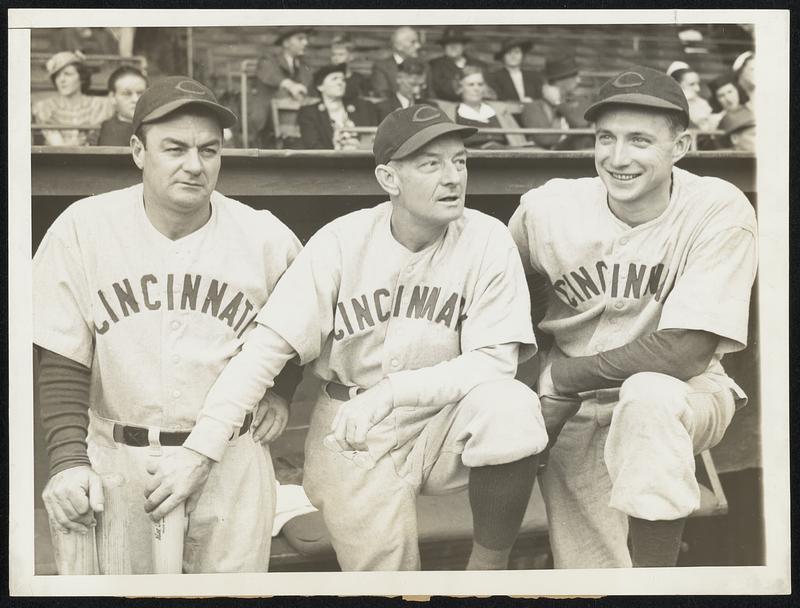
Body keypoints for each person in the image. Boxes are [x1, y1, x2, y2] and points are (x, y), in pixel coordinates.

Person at [162, 104, 549, 571]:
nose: (453, 178)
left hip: (441, 424)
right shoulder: (340, 242)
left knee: (510, 404)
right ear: (389, 178)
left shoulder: (487, 238)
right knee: (385, 580)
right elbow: (264, 351)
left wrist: (393, 392)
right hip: (350, 430)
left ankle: (488, 570)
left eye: (460, 161)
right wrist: (201, 448)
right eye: (431, 164)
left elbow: (495, 361)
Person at [33, 76, 304, 574]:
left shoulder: (264, 235)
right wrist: (69, 458)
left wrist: (282, 390)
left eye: (209, 150)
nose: (195, 165)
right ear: (138, 151)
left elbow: (297, 334)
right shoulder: (83, 227)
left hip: (230, 460)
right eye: (174, 148)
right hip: (118, 459)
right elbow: (62, 352)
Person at [509, 65, 758, 569]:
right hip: (575, 407)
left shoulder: (717, 208)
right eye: (607, 138)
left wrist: (558, 379)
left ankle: (657, 584)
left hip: (688, 393)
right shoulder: (548, 208)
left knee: (650, 395)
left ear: (681, 146)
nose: (618, 158)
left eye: (640, 140)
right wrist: (531, 380)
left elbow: (683, 351)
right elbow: (509, 296)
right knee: (590, 571)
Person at [31, 50, 115, 146]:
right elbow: (58, 147)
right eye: (57, 76)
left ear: (81, 78)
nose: (61, 80)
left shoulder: (100, 105)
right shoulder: (46, 107)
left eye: (68, 74)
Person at [249, 27, 314, 148]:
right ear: (286, 43)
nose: (305, 43)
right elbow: (268, 73)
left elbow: (306, 84)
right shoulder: (269, 60)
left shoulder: (303, 65)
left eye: (306, 39)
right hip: (267, 119)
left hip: (295, 118)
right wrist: (290, 85)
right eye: (300, 39)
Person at [517, 56, 593, 150]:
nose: (579, 80)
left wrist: (558, 103)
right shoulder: (533, 107)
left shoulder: (579, 100)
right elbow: (545, 139)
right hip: (553, 157)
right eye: (574, 76)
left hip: (580, 152)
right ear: (560, 80)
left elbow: (582, 123)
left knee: (585, 139)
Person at [298, 65, 379, 150]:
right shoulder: (309, 113)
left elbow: (373, 138)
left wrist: (360, 147)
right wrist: (336, 149)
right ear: (320, 87)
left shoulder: (364, 107)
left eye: (343, 80)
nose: (340, 83)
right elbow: (313, 146)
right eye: (334, 79)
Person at [453, 65, 507, 149]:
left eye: (480, 84)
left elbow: (516, 140)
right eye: (471, 85)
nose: (476, 88)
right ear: (460, 88)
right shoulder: (453, 113)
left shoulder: (498, 110)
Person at [428, 28, 485, 101]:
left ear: (463, 46)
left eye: (457, 42)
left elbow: (487, 91)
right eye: (449, 43)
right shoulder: (435, 65)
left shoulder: (478, 65)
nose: (453, 46)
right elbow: (439, 89)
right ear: (443, 47)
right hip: (446, 106)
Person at [97, 65, 148, 146]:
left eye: (140, 93)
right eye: (127, 94)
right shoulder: (107, 131)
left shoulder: (156, 125)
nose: (135, 99)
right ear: (112, 97)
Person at [370, 26, 423, 98]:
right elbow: (383, 96)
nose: (418, 46)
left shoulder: (424, 66)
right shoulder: (381, 67)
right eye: (413, 42)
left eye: (417, 42)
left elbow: (429, 95)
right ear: (398, 46)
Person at [486, 38, 544, 103]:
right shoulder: (494, 77)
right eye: (509, 53)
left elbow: (540, 99)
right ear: (503, 57)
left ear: (522, 56)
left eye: (517, 52)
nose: (513, 56)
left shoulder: (534, 77)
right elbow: (497, 100)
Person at [667, 61, 717, 131]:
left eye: (698, 83)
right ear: (676, 85)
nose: (698, 89)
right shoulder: (669, 106)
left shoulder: (702, 104)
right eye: (692, 84)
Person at [330, 34, 371, 100]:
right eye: (333, 54)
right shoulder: (323, 79)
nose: (336, 58)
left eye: (341, 54)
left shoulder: (359, 80)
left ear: (351, 56)